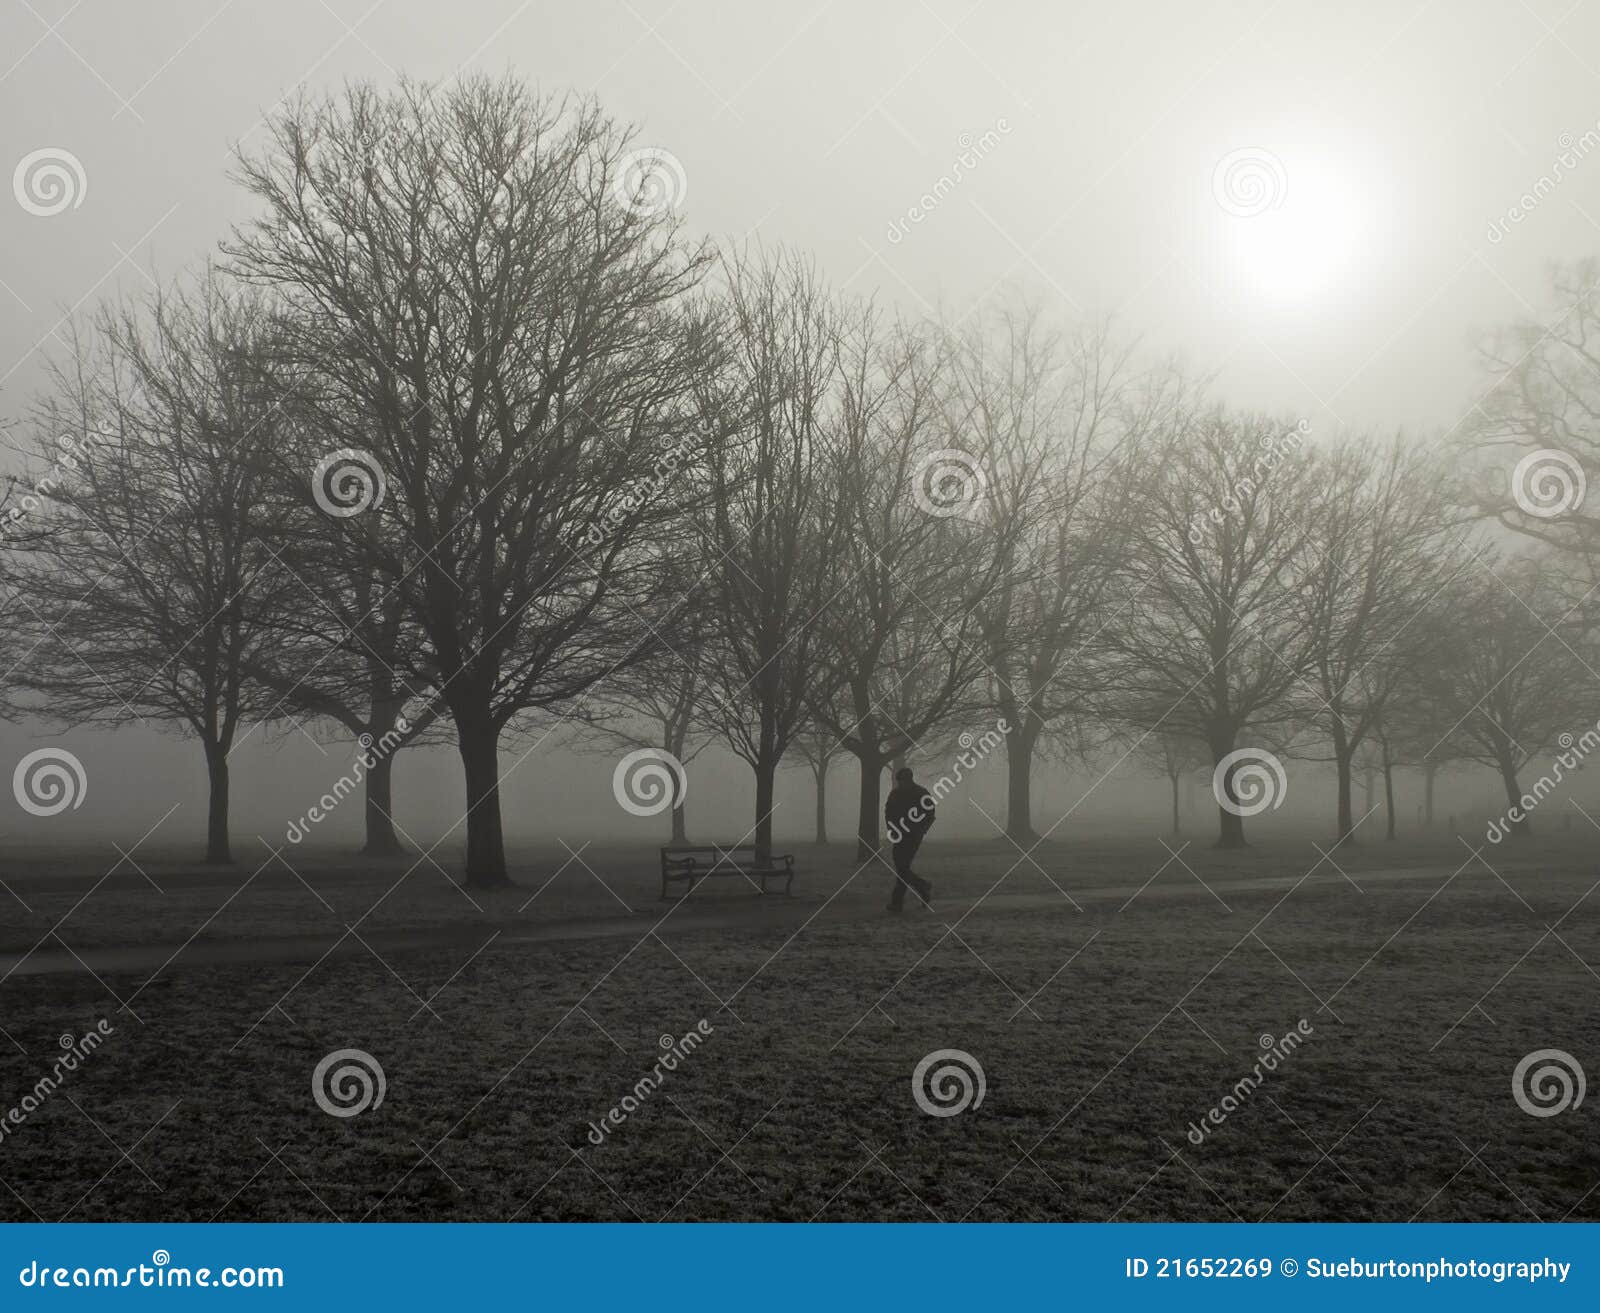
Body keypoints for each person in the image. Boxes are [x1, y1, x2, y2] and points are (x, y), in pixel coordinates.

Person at [884, 767, 935, 913]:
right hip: (900, 835)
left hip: (912, 836)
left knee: (902, 867)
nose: (900, 784)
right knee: (902, 867)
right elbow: (888, 812)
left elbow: (930, 815)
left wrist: (920, 831)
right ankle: (922, 886)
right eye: (899, 782)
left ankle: (897, 903)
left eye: (901, 781)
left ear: (908, 780)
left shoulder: (920, 793)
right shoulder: (897, 793)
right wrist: (891, 829)